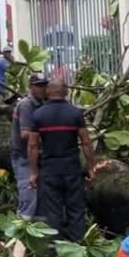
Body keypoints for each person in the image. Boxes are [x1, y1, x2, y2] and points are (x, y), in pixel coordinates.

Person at [27, 79, 95, 242]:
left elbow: (32, 146)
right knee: (76, 209)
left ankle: (55, 252)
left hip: (49, 170)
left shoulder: (38, 115)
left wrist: (34, 172)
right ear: (66, 92)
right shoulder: (75, 114)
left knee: (52, 211)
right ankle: (77, 246)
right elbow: (86, 142)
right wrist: (91, 166)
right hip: (72, 168)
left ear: (48, 92)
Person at [11, 73, 49, 219]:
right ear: (30, 87)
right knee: (28, 196)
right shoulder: (27, 105)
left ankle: (38, 238)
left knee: (41, 200)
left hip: (36, 156)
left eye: (44, 85)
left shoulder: (42, 103)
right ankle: (20, 235)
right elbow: (25, 135)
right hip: (24, 157)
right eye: (38, 85)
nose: (42, 89)